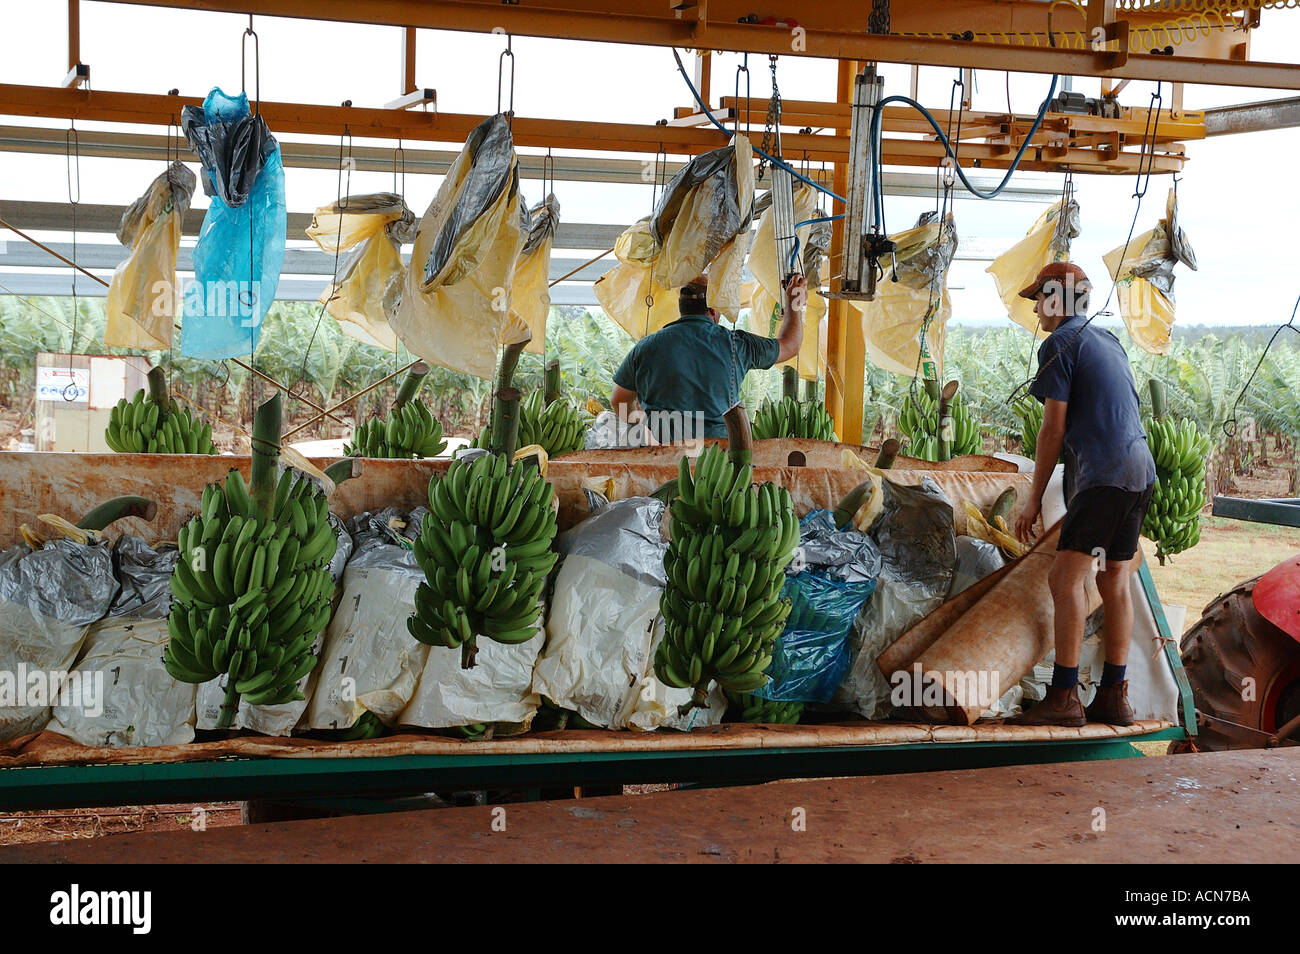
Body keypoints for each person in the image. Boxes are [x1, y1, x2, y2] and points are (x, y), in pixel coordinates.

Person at [1012, 261, 1157, 727]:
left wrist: (1033, 499)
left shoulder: (1061, 342)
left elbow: (1052, 429)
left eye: (1040, 298)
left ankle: (1063, 697)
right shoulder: (1106, 339)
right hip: (1139, 472)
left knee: (1063, 580)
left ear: (1057, 298)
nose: (1036, 309)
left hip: (1105, 473)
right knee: (1113, 579)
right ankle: (1115, 696)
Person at [610, 273, 806, 444]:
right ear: (713, 310)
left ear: (682, 309)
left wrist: (643, 421)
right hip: (719, 460)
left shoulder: (645, 347)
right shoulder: (737, 344)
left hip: (661, 454)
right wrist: (795, 301)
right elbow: (791, 345)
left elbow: (619, 401)